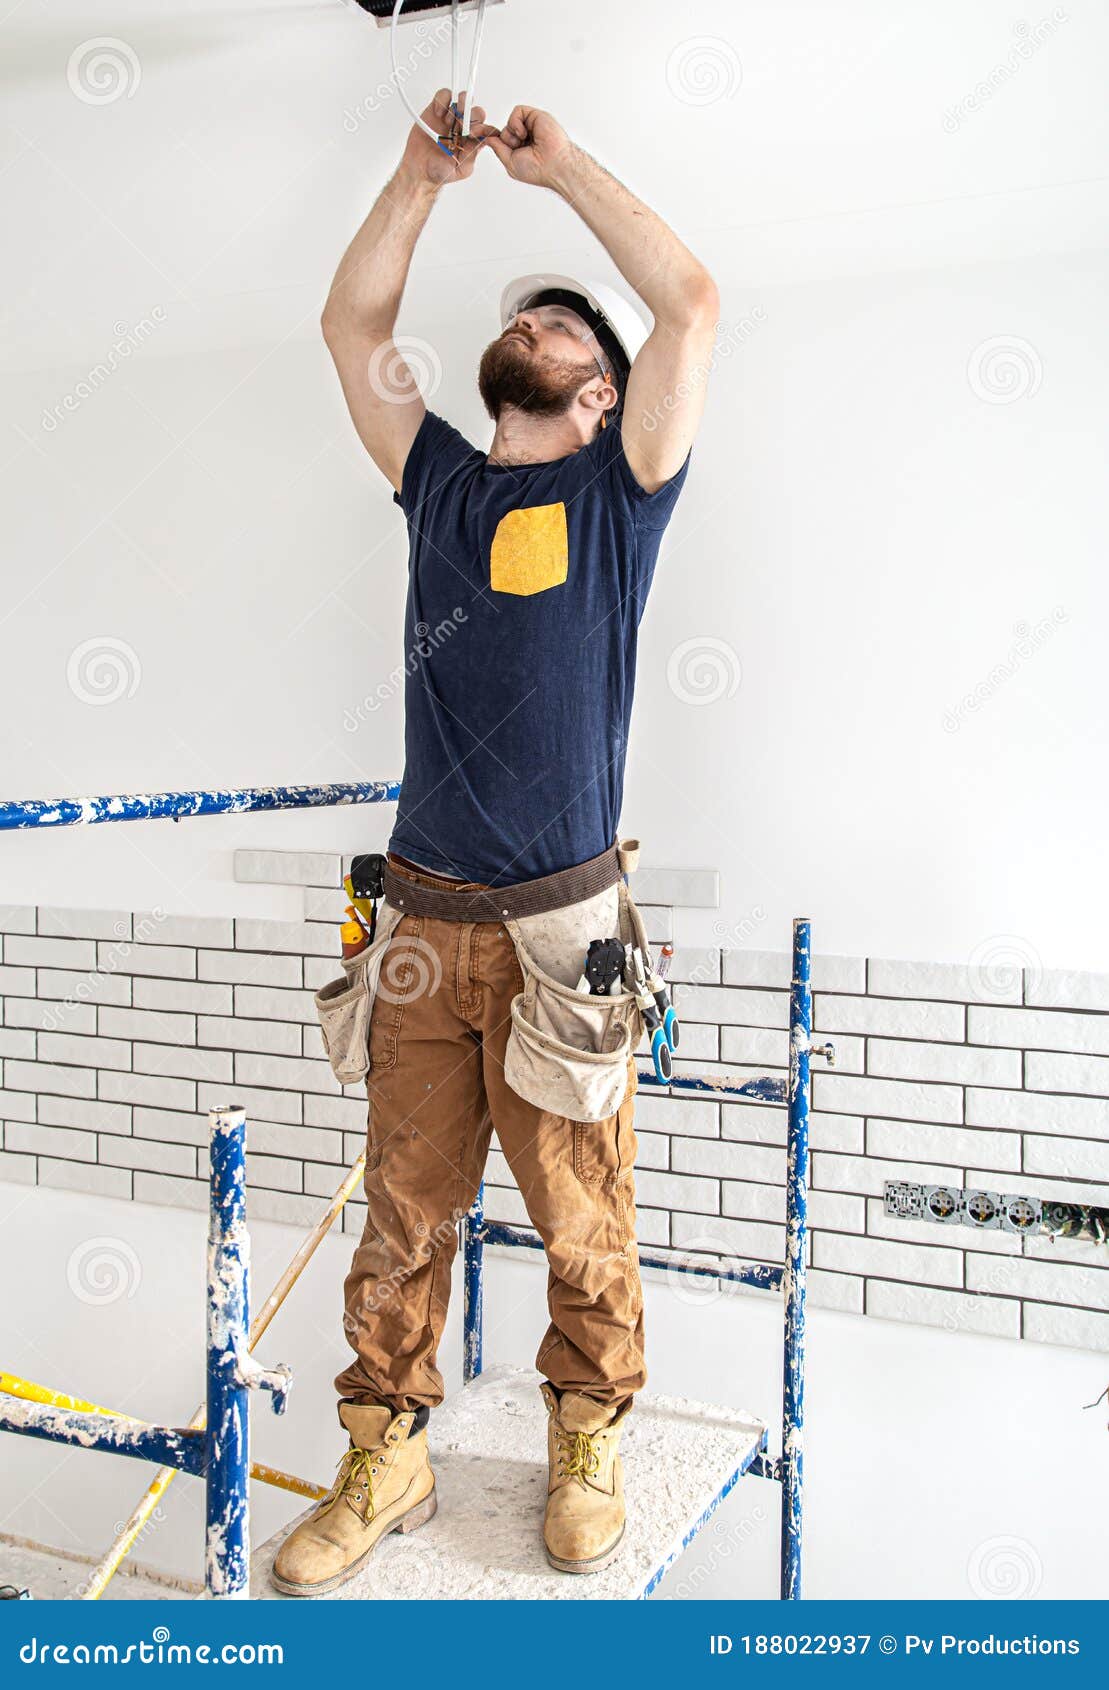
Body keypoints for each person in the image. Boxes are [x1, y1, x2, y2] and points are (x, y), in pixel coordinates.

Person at [272, 92, 718, 1596]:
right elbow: (350, 326)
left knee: (579, 1213)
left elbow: (693, 301)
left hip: (562, 928)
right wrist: (419, 177)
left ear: (602, 394)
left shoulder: (621, 492)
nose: (537, 319)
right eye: (525, 315)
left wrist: (560, 167)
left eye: (568, 324)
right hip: (420, 914)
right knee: (404, 1209)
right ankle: (384, 1454)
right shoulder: (443, 481)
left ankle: (583, 1435)